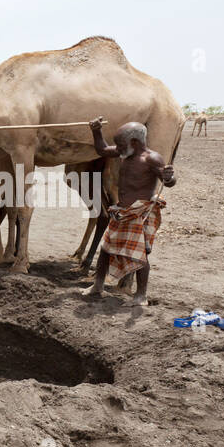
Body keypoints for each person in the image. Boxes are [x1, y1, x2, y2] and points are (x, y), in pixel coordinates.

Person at [83, 118, 175, 307]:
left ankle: (140, 296)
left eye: (121, 144)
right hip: (122, 211)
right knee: (106, 249)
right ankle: (97, 286)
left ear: (134, 142)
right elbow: (102, 150)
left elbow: (169, 181)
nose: (117, 148)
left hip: (140, 211)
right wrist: (96, 131)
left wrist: (170, 176)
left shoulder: (151, 158)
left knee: (140, 256)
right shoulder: (126, 153)